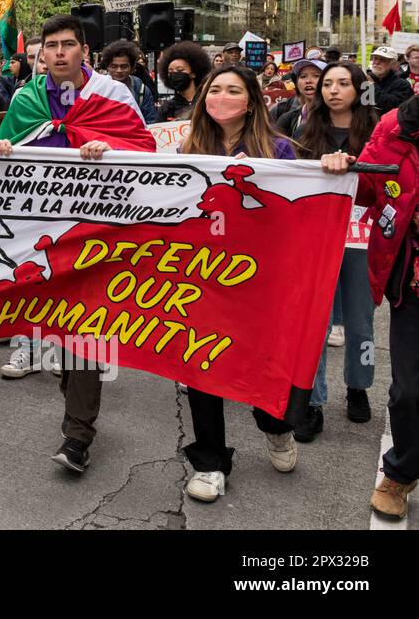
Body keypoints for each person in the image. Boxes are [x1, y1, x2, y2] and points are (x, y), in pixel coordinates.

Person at [177, 64, 353, 503]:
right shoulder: (187, 147)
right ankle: (210, 461)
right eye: (214, 89)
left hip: (261, 281)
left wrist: (331, 168)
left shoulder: (278, 149)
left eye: (233, 89)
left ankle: (276, 426)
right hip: (202, 278)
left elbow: (304, 201)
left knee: (261, 364)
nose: (221, 96)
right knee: (202, 365)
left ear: (252, 100)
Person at [0, 14, 154, 473]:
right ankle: (73, 389)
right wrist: (4, 150)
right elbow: (1, 159)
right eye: (51, 45)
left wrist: (110, 149)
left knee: (89, 325)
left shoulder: (113, 95)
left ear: (85, 51)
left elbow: (145, 152)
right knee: (57, 326)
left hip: (97, 233)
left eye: (68, 44)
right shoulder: (26, 98)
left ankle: (78, 435)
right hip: (41, 237)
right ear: (41, 53)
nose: (59, 52)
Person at [290, 62, 378, 442]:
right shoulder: (302, 124)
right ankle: (313, 401)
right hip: (319, 238)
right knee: (315, 323)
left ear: (359, 88)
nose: (333, 90)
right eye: (328, 83)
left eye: (343, 83)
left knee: (360, 321)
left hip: (363, 240)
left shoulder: (378, 127)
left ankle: (358, 387)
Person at [355, 93, 419, 518]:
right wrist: (341, 168)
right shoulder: (394, 126)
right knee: (409, 390)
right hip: (412, 282)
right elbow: (365, 192)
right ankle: (399, 472)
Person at [102, 40, 158, 124]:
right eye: (114, 66)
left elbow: (150, 122)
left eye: (124, 67)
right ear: (108, 67)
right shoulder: (99, 88)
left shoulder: (142, 91)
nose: (119, 70)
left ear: (132, 68)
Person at [157, 41, 211, 121]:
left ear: (193, 73)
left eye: (180, 70)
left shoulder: (207, 102)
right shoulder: (167, 108)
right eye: (170, 72)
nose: (174, 74)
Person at [369, 46, 412, 115]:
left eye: (382, 60)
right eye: (375, 58)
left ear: (392, 63)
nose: (376, 62)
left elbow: (394, 106)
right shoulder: (364, 78)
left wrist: (371, 86)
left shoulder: (402, 85)